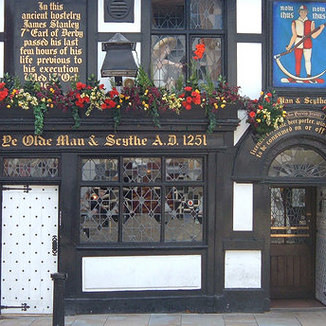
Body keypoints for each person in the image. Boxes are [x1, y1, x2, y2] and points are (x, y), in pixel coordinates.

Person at [286, 5, 324, 78]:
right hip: (298, 43)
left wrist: (321, 29)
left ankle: (309, 76)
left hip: (308, 43)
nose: (303, 13)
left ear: (307, 13)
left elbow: (314, 36)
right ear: (299, 12)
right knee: (297, 60)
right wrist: (289, 46)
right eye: (301, 12)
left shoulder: (311, 22)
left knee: (307, 60)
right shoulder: (295, 22)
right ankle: (297, 76)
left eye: (304, 12)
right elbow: (294, 35)